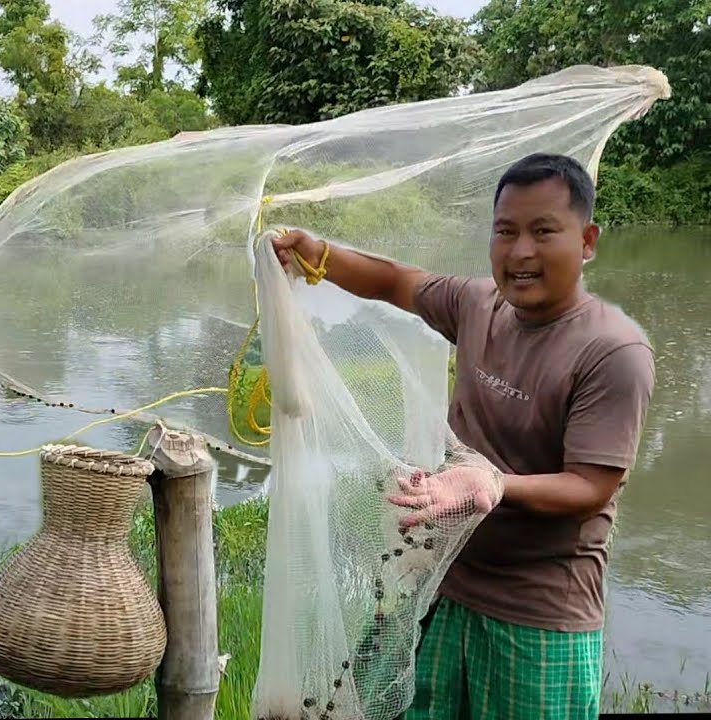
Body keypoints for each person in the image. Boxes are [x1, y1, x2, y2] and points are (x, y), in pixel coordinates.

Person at [267, 153, 655, 720]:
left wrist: (490, 484)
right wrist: (318, 255)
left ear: (588, 240)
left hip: (540, 615)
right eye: (506, 232)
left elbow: (591, 486)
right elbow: (395, 281)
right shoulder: (478, 305)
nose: (521, 251)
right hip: (445, 589)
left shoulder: (613, 352)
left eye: (544, 232)